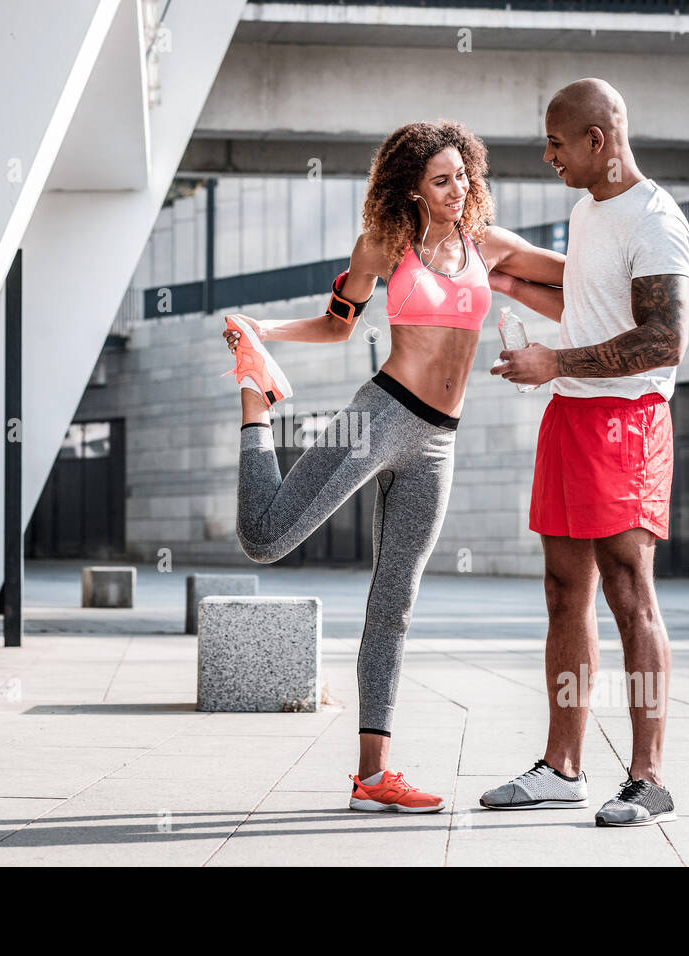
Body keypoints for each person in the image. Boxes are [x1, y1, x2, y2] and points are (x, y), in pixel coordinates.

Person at [221, 120, 564, 813]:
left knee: (395, 604)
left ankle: (373, 778)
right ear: (412, 186)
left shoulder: (485, 245)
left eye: (462, 175)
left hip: (439, 440)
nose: (457, 189)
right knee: (264, 537)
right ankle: (254, 398)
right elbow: (338, 321)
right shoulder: (385, 245)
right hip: (377, 413)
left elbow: (567, 276)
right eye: (441, 180)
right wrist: (263, 332)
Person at [483, 79, 689, 827]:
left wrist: (554, 363)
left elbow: (663, 339)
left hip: (626, 420)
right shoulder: (587, 209)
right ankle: (563, 767)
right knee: (561, 590)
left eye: (556, 143)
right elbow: (588, 304)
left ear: (597, 141)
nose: (549, 157)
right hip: (571, 418)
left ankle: (648, 778)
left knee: (628, 591)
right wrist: (511, 283)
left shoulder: (657, 220)